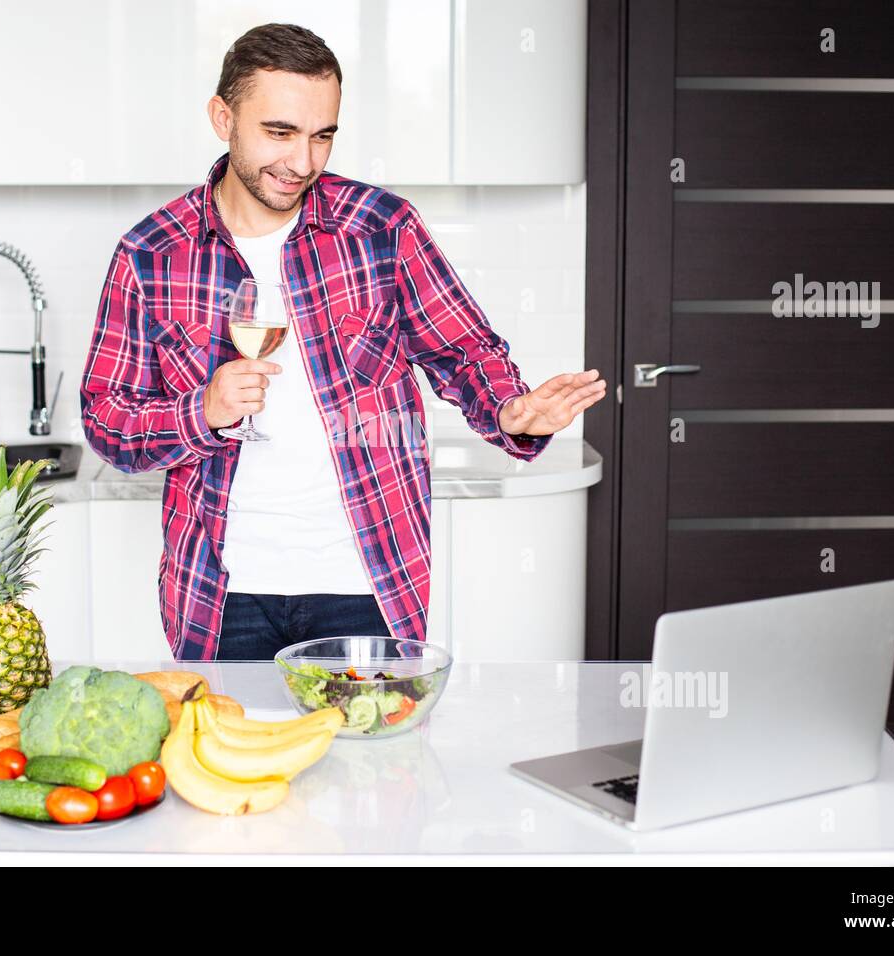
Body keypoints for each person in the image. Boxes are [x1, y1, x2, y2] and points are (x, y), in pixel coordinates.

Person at [80, 23, 606, 661]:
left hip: (365, 585)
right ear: (223, 117)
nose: (302, 162)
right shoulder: (151, 253)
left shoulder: (381, 229)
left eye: (321, 136)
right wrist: (205, 413)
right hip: (222, 595)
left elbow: (464, 353)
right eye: (279, 133)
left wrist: (508, 410)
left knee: (372, 760)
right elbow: (109, 421)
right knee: (238, 764)